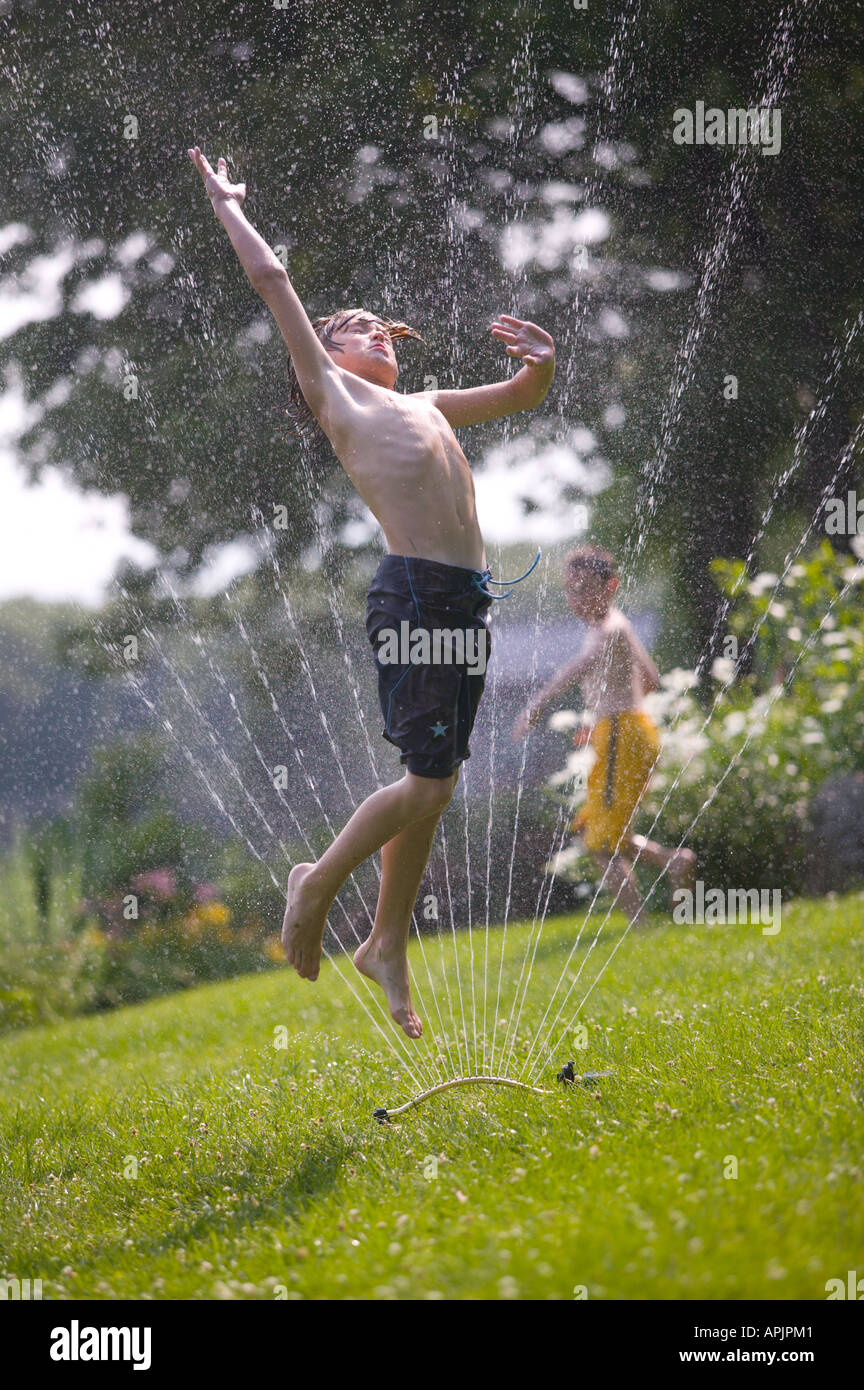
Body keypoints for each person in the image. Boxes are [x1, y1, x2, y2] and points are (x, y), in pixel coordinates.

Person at [188, 147, 555, 1035]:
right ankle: (318, 881)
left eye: (381, 328)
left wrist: (541, 365)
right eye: (355, 328)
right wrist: (230, 204)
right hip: (419, 600)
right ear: (326, 356)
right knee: (427, 787)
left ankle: (387, 940)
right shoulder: (336, 397)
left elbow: (516, 397)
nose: (376, 334)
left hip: (465, 602)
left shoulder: (426, 406)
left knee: (436, 781)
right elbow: (272, 279)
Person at [513, 546, 695, 923]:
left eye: (585, 589)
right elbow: (649, 678)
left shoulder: (606, 630)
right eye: (571, 590)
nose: (576, 599)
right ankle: (674, 862)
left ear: (611, 585)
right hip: (628, 731)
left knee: (599, 843)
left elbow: (578, 668)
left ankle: (641, 928)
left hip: (622, 736)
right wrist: (608, 717)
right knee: (610, 834)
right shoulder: (619, 625)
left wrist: (537, 704)